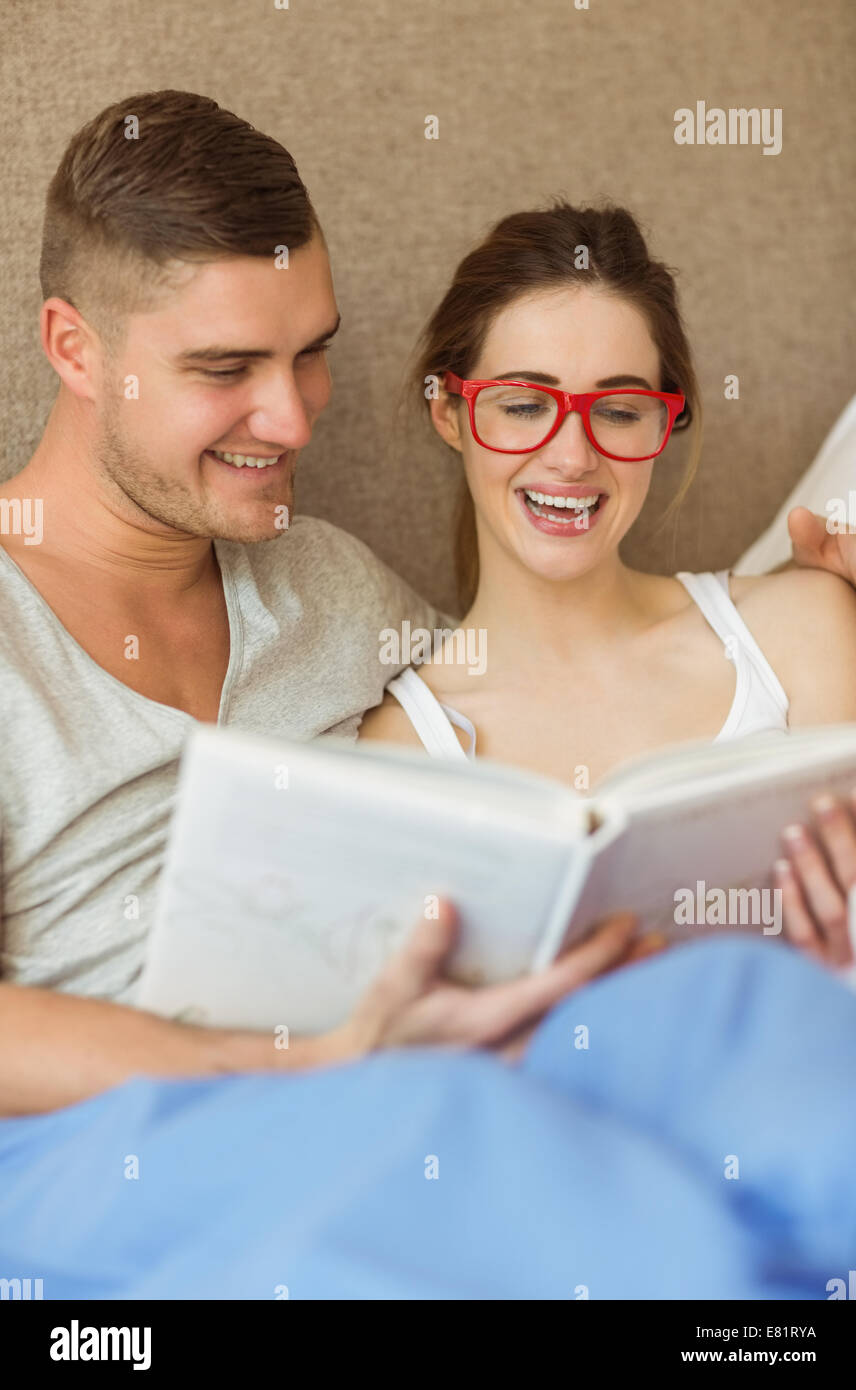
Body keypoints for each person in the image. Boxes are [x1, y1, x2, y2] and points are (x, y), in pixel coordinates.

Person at [0, 91, 639, 1117]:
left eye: (310, 352)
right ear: (77, 351)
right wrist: (325, 1061)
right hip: (107, 1161)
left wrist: (809, 609)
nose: (292, 419)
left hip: (396, 1113)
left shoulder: (326, 581)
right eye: (225, 369)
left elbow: (569, 708)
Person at [359, 206, 856, 964]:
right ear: (452, 413)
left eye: (620, 410)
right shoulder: (401, 749)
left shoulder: (802, 630)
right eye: (526, 405)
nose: (572, 456)